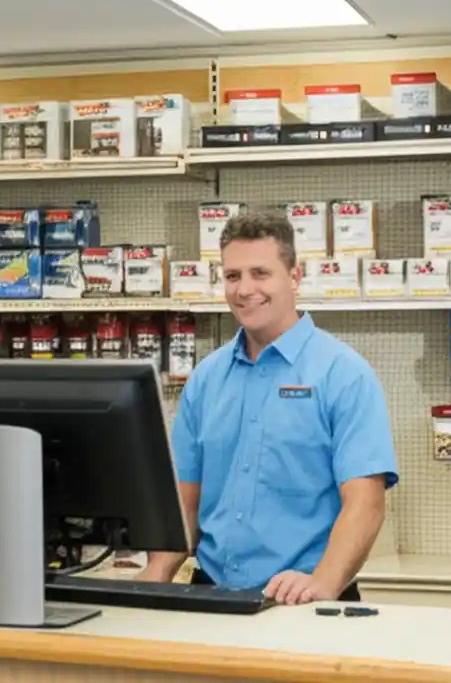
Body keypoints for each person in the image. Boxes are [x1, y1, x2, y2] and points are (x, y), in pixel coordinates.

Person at [138, 210, 398, 605]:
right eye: (232, 276)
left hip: (306, 599)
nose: (244, 289)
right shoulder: (205, 380)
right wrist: (157, 573)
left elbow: (366, 503)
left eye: (260, 273)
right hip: (213, 595)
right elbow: (186, 500)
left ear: (294, 276)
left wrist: (324, 583)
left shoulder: (344, 374)